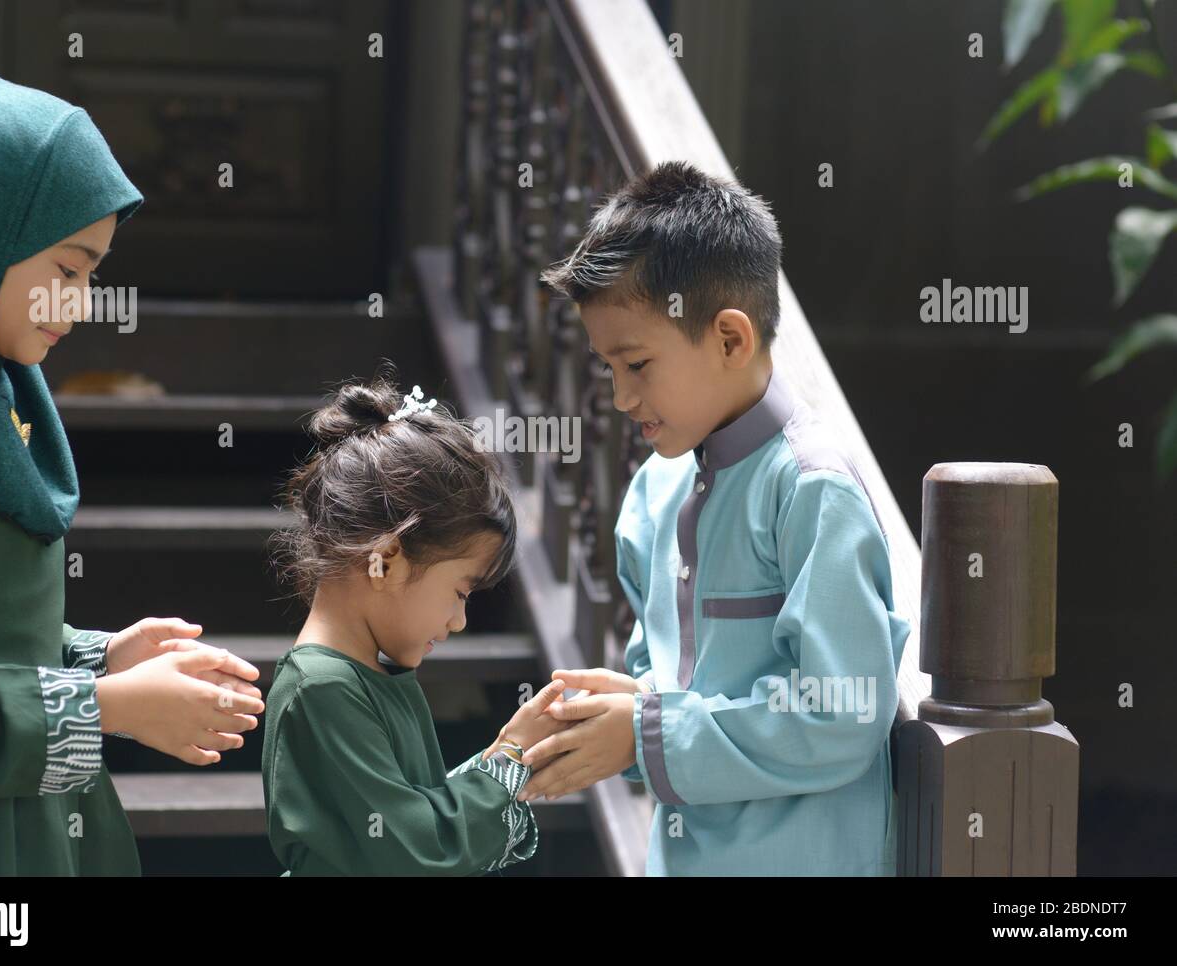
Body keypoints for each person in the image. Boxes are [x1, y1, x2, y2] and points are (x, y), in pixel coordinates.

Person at [0, 65, 264, 875]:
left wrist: (98, 657)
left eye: (92, 276)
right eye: (65, 269)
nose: (80, 307)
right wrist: (105, 709)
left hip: (35, 821)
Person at [527, 160, 913, 876]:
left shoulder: (811, 488)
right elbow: (669, 674)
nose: (619, 398)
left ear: (731, 339)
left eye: (637, 365)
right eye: (608, 368)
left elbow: (844, 715)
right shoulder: (652, 491)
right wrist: (628, 707)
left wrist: (650, 737)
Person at [263, 377, 571, 875]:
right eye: (460, 592)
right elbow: (419, 852)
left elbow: (415, 815)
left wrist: (505, 751)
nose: (459, 620)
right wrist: (509, 759)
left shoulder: (353, 677)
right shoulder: (322, 688)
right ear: (386, 560)